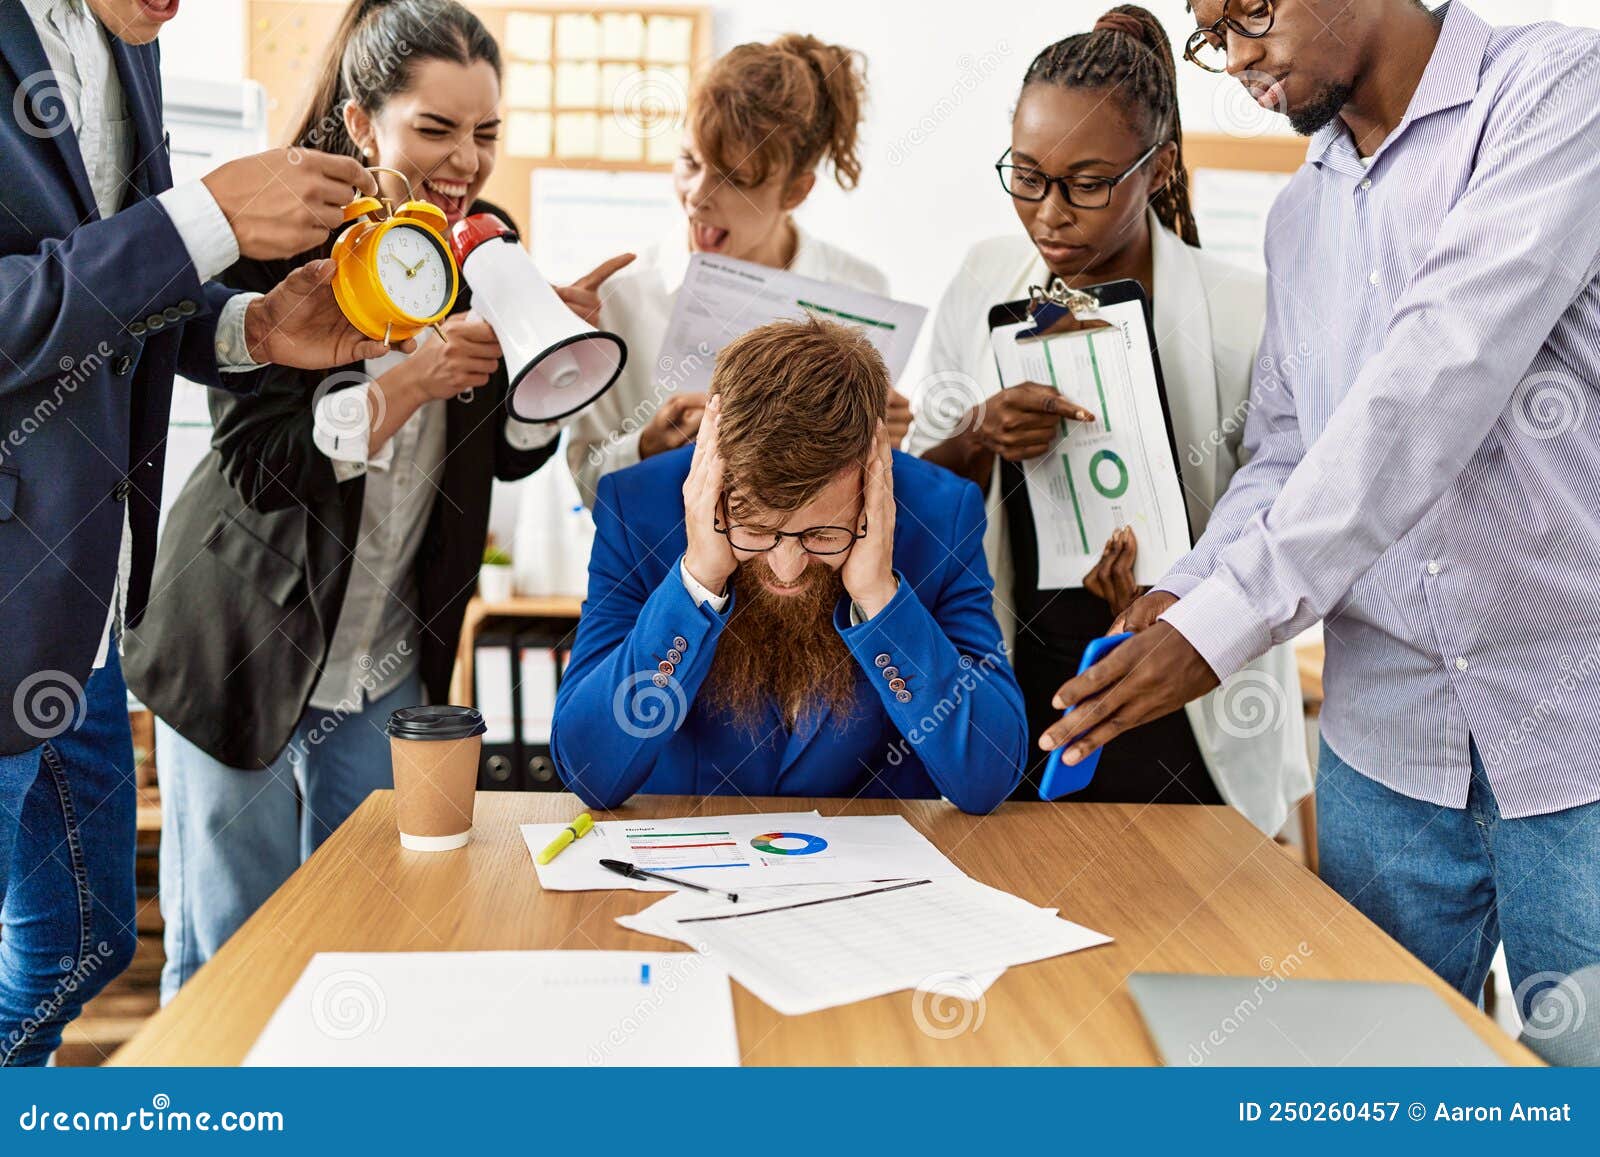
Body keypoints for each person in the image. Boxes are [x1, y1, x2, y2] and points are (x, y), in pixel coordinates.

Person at [1053, 0, 1600, 1018]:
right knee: (1372, 1086)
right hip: (1383, 748)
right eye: (1210, 31)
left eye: (1250, 10)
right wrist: (1187, 587)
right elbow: (1288, 452)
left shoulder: (1556, 95)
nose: (1235, 54)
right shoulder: (1300, 215)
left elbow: (1438, 376)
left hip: (1577, 742)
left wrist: (1224, 627)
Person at [120, 0, 608, 1002]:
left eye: (485, 134)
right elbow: (261, 468)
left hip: (385, 653)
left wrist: (543, 364)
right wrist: (407, 383)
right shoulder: (277, 247)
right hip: (240, 638)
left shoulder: (488, 244)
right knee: (228, 953)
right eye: (435, 129)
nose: (465, 159)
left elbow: (503, 465)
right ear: (359, 123)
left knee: (375, 931)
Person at [0, 0, 398, 1064]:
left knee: (79, 943)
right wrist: (202, 220)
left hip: (82, 604)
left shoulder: (130, 43)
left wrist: (251, 324)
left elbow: (100, 298)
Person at [909, 6, 1308, 829]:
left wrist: (1179, 582)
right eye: (1026, 176)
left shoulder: (1243, 312)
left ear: (1157, 169)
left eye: (1088, 185)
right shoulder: (986, 278)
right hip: (1020, 705)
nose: (1051, 212)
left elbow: (1291, 516)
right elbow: (914, 498)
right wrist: (982, 433)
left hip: (1186, 722)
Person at [551, 318, 1027, 813]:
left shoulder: (943, 514)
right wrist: (696, 580)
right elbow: (589, 771)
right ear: (716, 472)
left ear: (871, 467)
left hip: (874, 877)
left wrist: (881, 599)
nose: (787, 566)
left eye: (823, 534)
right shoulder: (636, 507)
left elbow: (990, 776)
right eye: (756, 531)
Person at [565, 33, 911, 506]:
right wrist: (647, 449)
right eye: (690, 161)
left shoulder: (857, 291)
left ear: (796, 192)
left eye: (736, 179)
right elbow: (587, 484)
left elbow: (863, 494)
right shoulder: (622, 296)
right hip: (657, 573)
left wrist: (883, 442)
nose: (698, 195)